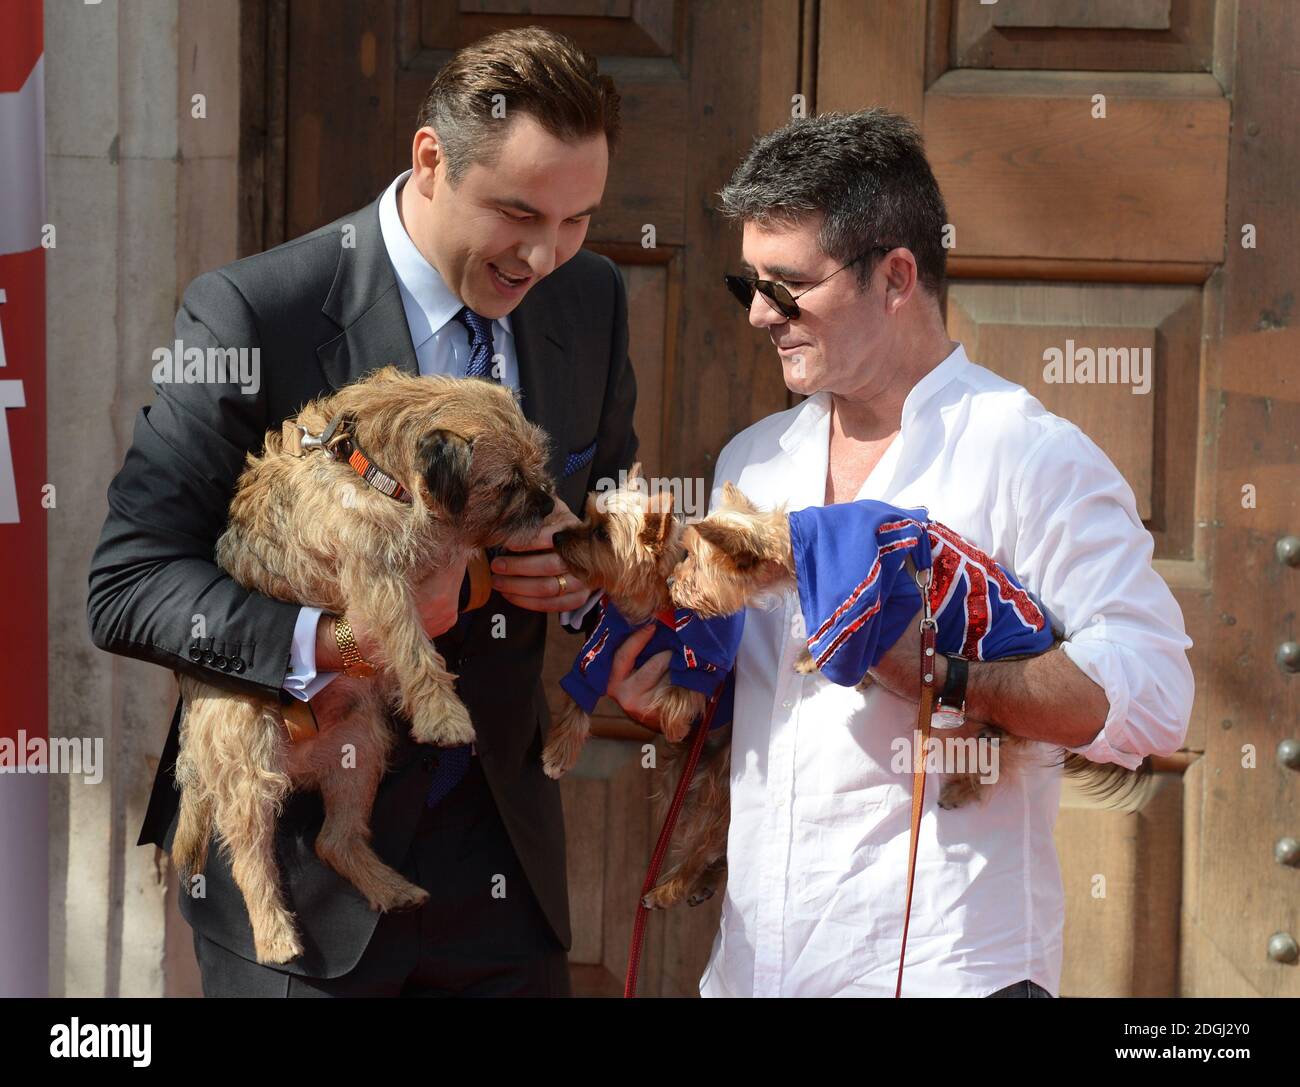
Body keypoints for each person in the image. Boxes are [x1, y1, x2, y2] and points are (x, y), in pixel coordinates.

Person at [87, 26, 636, 997]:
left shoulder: (589, 299)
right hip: (299, 877)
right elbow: (130, 586)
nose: (545, 254)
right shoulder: (257, 311)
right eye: (518, 212)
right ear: (429, 160)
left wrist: (584, 576)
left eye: (578, 219)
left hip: (504, 877)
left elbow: (610, 494)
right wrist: (337, 639)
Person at [605, 109, 1193, 998]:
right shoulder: (753, 461)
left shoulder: (1028, 452)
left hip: (951, 967)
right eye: (748, 284)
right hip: (759, 967)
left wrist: (945, 672)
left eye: (789, 286)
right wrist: (678, 698)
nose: (762, 314)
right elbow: (777, 709)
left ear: (895, 277)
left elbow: (1156, 698)